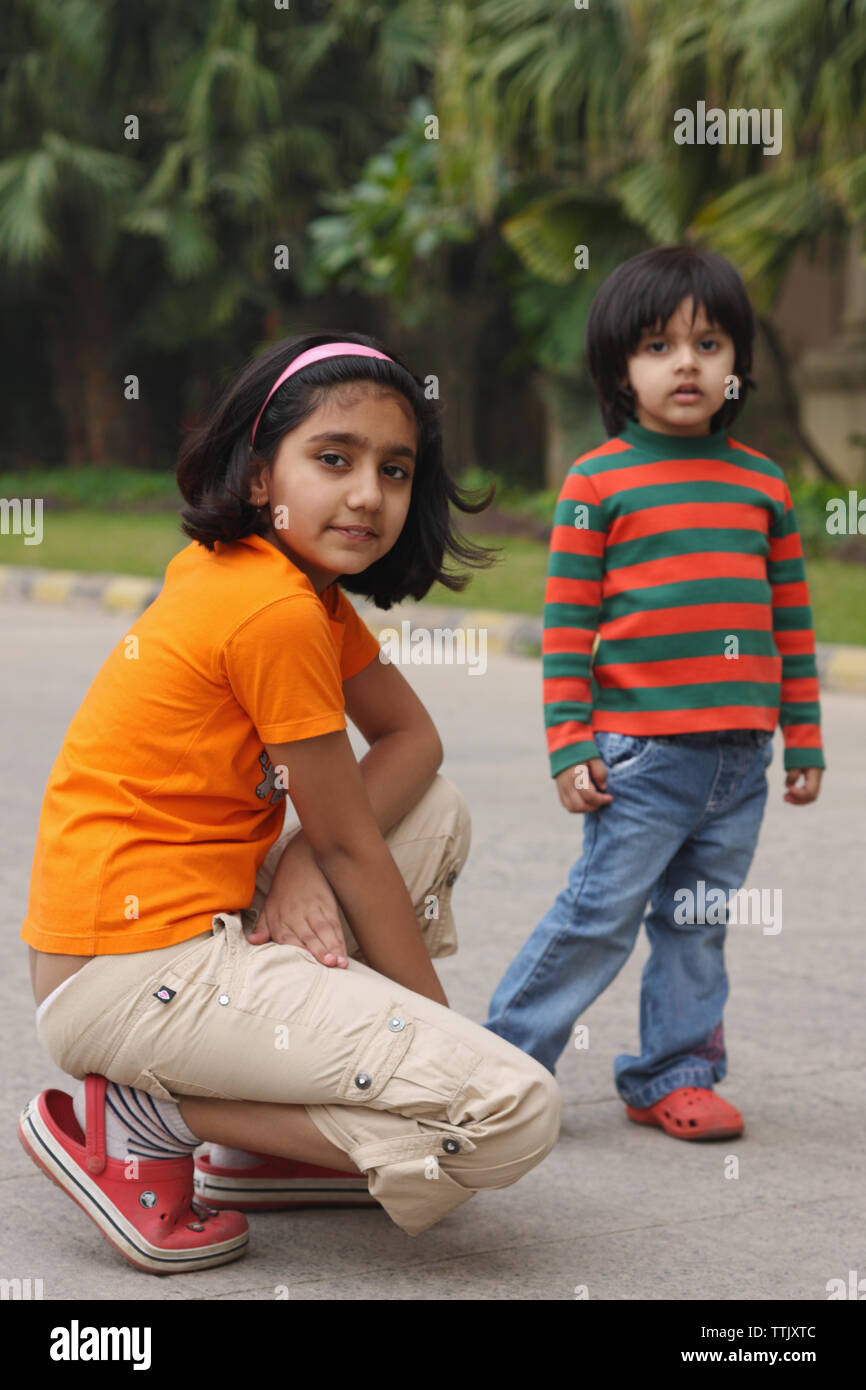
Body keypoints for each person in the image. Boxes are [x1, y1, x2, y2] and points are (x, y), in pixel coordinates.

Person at [19, 333, 561, 1274]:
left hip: (178, 934)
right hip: (129, 974)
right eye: (334, 458)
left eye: (394, 470)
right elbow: (356, 846)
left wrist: (303, 856)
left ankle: (269, 1142)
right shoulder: (269, 609)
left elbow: (412, 745)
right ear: (261, 473)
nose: (367, 494)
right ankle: (150, 1116)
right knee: (512, 1110)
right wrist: (440, 1055)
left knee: (436, 808)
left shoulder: (289, 587)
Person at [485, 246, 824, 1141]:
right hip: (641, 758)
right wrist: (570, 744)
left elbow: (792, 627)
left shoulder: (763, 486)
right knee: (599, 918)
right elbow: (566, 631)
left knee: (696, 923)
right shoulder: (599, 483)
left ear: (736, 365)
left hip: (742, 762)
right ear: (618, 370)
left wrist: (807, 740)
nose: (686, 364)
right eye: (657, 346)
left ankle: (675, 1071)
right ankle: (498, 1066)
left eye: (708, 343)